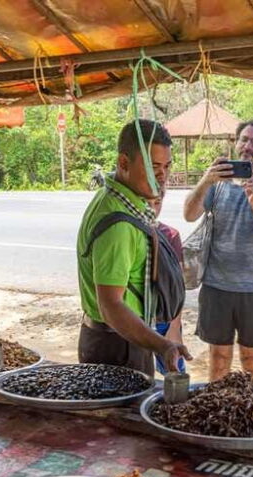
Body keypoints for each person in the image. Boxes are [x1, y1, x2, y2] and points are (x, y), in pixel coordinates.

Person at [76, 119, 191, 375]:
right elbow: (111, 306)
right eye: (153, 167)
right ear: (124, 163)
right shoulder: (119, 224)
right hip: (118, 346)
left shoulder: (114, 197)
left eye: (167, 166)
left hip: (124, 337)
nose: (162, 176)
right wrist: (162, 345)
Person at [183, 120, 253, 381]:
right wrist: (206, 180)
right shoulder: (218, 181)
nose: (248, 146)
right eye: (244, 139)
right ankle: (216, 413)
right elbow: (189, 214)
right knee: (218, 359)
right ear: (235, 143)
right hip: (216, 286)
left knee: (251, 361)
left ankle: (250, 415)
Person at [149, 185, 186, 375]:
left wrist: (174, 328)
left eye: (157, 202)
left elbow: (178, 288)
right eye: (147, 201)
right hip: (137, 321)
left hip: (165, 319)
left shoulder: (171, 235)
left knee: (174, 373)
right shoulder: (128, 231)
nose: (152, 208)